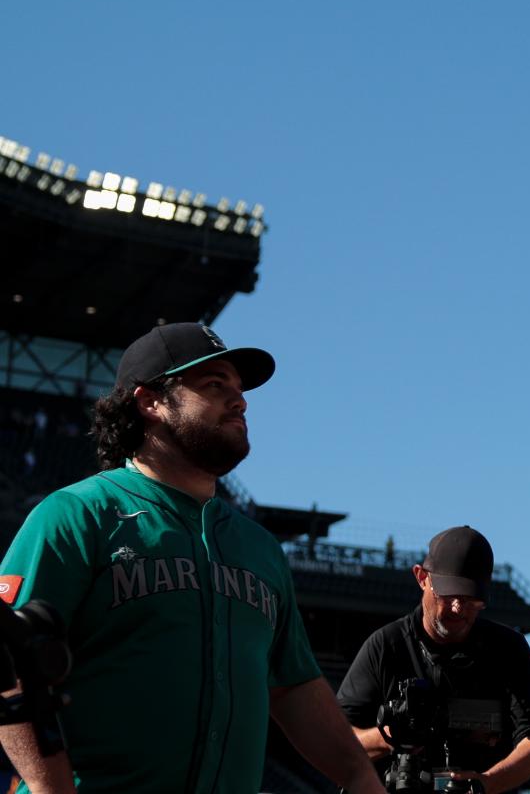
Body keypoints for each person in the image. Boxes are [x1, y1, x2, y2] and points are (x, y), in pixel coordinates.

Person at [0, 323, 384, 794]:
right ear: (150, 402)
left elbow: (294, 685)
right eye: (214, 385)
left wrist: (359, 776)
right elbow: (9, 668)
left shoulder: (259, 546)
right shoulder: (76, 515)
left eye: (240, 390)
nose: (240, 401)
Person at [336, 526, 530, 792]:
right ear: (422, 578)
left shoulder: (508, 649)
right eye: (449, 594)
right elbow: (336, 745)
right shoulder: (385, 647)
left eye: (471, 599)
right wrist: (392, 736)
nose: (458, 608)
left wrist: (484, 785)